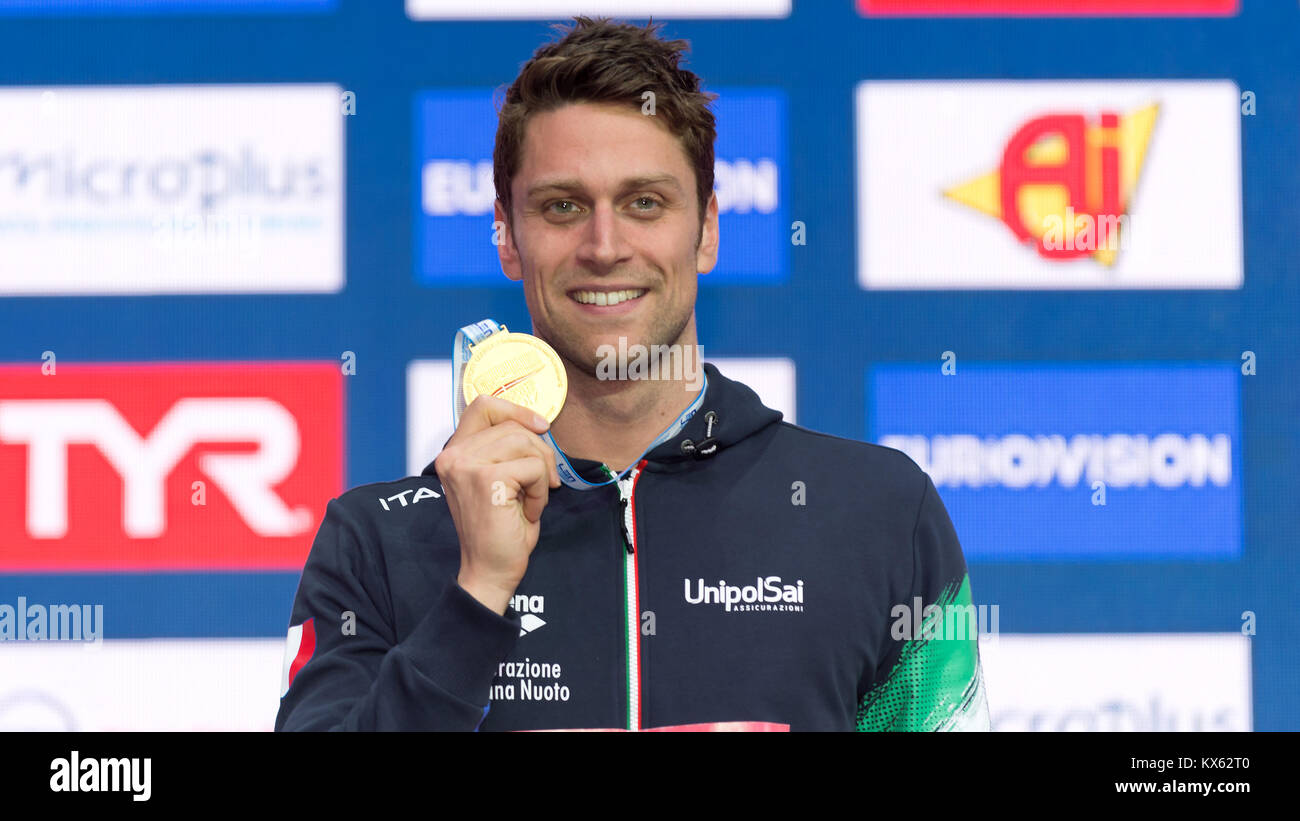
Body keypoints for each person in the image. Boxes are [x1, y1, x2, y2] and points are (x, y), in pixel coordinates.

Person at [275, 15, 989, 732]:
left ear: (707, 228)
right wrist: (477, 593)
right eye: (563, 206)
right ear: (507, 236)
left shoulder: (882, 514)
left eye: (644, 202)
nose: (604, 245)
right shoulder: (377, 541)